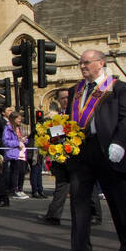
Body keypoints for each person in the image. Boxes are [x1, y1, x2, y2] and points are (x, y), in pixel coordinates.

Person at [60, 50, 126, 251]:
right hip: (81, 151)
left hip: (108, 149)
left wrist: (121, 143)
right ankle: (80, 250)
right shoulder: (75, 90)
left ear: (100, 63)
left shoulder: (118, 88)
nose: (82, 66)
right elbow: (69, 122)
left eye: (86, 62)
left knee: (118, 202)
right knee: (79, 202)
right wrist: (51, 135)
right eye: (81, 63)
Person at [36, 88, 102, 226]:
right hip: (63, 157)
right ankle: (53, 215)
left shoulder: (80, 114)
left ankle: (95, 214)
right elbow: (55, 137)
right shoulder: (58, 117)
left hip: (80, 155)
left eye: (67, 97)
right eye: (62, 98)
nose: (65, 100)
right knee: (61, 185)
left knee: (88, 185)